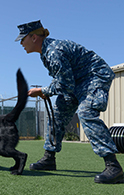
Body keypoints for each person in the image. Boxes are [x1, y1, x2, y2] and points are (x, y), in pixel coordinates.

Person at [17, 20, 122, 184]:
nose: (21, 43)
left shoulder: (53, 52)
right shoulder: (46, 53)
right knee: (57, 116)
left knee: (86, 113)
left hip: (94, 76)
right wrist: (46, 91)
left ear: (34, 37)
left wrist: (43, 91)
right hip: (76, 82)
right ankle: (49, 159)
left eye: (23, 39)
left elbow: (65, 84)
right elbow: (62, 81)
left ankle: (114, 167)